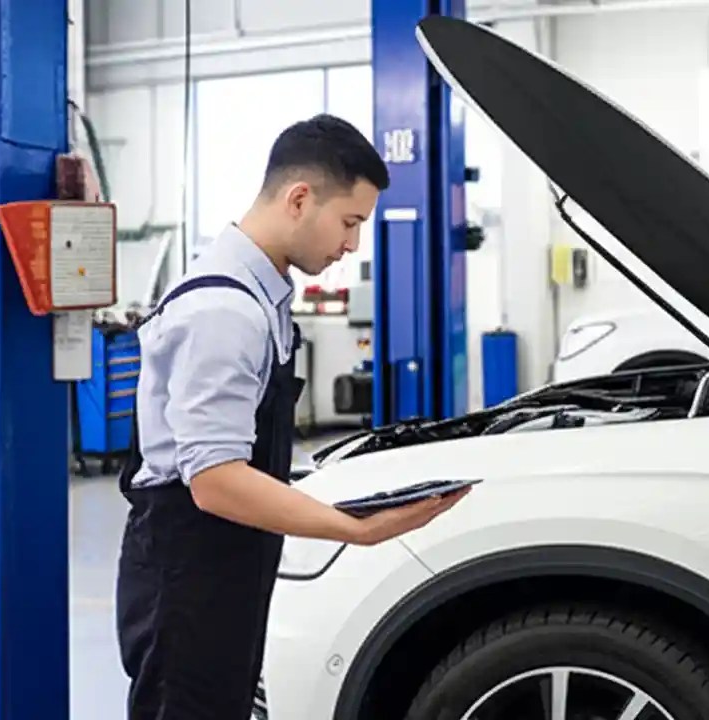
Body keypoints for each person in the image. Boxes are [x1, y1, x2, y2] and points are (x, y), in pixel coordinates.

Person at [114, 113, 469, 719]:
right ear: (300, 198)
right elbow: (216, 479)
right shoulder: (225, 311)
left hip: (226, 566)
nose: (353, 244)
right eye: (350, 222)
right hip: (189, 573)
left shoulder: (264, 298)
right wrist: (353, 529)